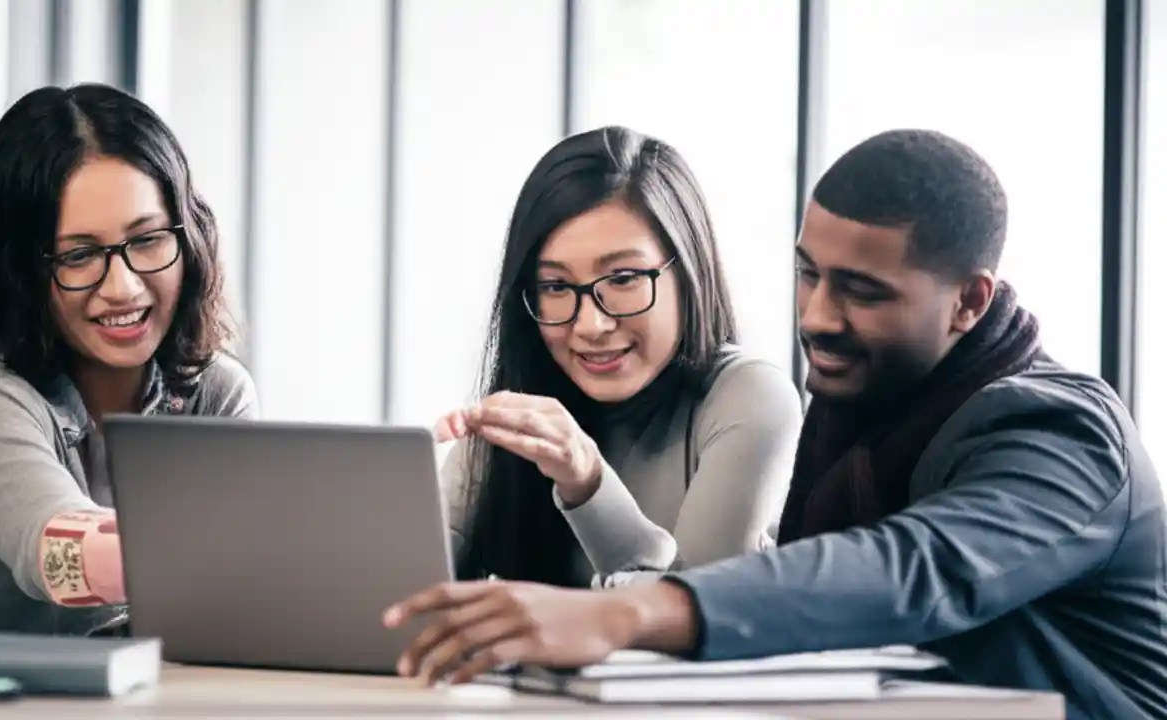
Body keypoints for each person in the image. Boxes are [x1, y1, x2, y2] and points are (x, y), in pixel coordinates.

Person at [384, 130, 1167, 720]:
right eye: (808, 274)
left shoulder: (1061, 429)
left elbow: (911, 569)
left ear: (968, 302)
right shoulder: (860, 403)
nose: (817, 317)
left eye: (860, 290)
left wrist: (619, 611)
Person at [0, 84, 258, 635]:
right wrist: (286, 542)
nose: (124, 286)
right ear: (17, 271)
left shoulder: (215, 392)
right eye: (80, 255)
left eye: (149, 240)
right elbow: (63, 559)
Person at [433, 126, 801, 589]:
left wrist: (586, 480)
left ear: (688, 272)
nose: (590, 325)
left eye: (623, 278)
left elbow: (697, 609)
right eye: (555, 287)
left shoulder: (749, 397)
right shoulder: (525, 414)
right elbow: (399, 588)